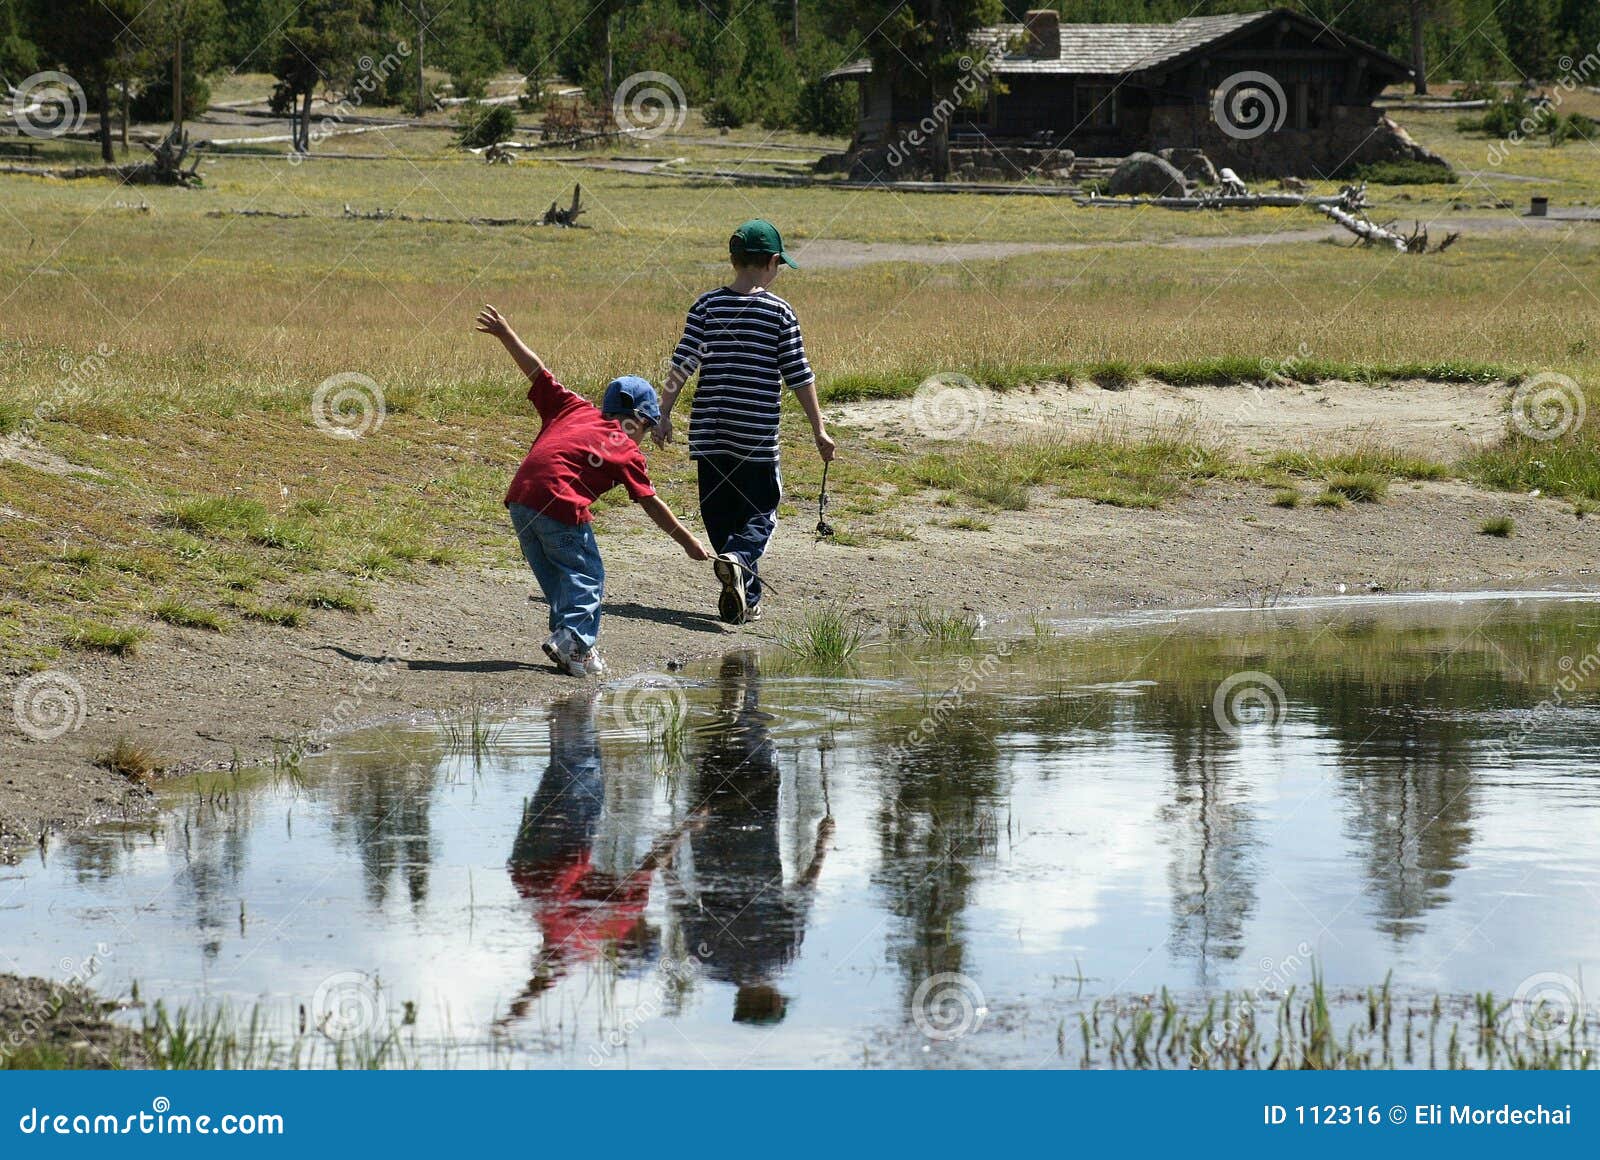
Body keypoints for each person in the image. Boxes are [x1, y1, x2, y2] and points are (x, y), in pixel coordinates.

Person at [476, 305, 710, 676]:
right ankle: (574, 642)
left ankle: (574, 648)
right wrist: (688, 542)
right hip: (559, 504)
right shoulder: (626, 448)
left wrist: (506, 333)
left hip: (521, 500)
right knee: (587, 576)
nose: (644, 437)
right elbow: (651, 503)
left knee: (559, 578)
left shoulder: (573, 407)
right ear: (639, 419)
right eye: (647, 429)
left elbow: (536, 370)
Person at [656, 219, 836, 625]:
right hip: (754, 434)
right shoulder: (779, 312)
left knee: (718, 511)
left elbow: (682, 363)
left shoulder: (706, 305)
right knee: (761, 511)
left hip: (710, 431)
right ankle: (738, 561)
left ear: (734, 260)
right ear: (772, 262)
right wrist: (818, 430)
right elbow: (799, 375)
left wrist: (664, 411)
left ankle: (746, 594)